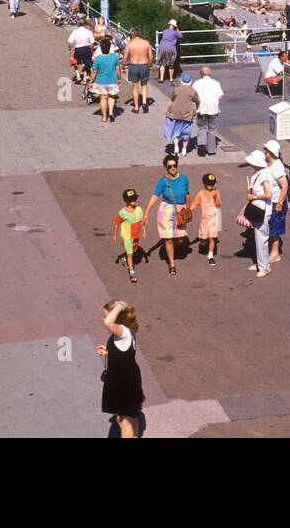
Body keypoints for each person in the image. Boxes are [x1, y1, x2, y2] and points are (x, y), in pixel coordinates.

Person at [96, 301, 145, 438]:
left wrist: (120, 305)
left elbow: (108, 323)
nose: (104, 319)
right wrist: (108, 351)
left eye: (106, 316)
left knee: (123, 421)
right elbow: (125, 353)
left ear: (116, 318)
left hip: (123, 382)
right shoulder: (125, 332)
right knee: (132, 416)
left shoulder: (123, 332)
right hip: (127, 378)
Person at [143, 154, 190, 276]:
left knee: (179, 239)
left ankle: (168, 248)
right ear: (165, 167)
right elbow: (154, 197)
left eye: (174, 165)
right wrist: (146, 212)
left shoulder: (184, 178)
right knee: (168, 238)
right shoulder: (162, 182)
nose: (173, 168)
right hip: (167, 210)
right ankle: (172, 263)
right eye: (170, 167)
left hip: (180, 210)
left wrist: (188, 209)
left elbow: (187, 194)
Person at [244, 149, 274, 278]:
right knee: (258, 237)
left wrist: (254, 196)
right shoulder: (259, 173)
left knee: (261, 238)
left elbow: (268, 194)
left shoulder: (263, 174)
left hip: (262, 210)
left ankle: (264, 267)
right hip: (258, 208)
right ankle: (261, 263)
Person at [112, 189, 146, 283]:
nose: (134, 201)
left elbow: (142, 221)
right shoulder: (122, 212)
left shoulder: (139, 210)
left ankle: (125, 259)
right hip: (126, 236)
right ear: (126, 201)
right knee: (130, 253)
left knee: (133, 251)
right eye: (131, 199)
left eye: (134, 198)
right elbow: (116, 224)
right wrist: (114, 235)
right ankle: (132, 273)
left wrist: (144, 231)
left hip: (135, 236)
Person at [163, 73, 199, 157]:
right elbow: (197, 100)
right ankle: (184, 150)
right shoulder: (192, 91)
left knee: (175, 131)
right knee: (186, 132)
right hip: (187, 115)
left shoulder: (176, 89)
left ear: (181, 81)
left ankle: (176, 147)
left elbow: (172, 98)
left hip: (175, 113)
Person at [263, 139, 288, 261]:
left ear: (270, 152)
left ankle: (275, 252)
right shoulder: (267, 163)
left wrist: (280, 203)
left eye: (266, 150)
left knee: (275, 226)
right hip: (269, 200)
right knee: (270, 226)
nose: (264, 151)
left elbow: (285, 186)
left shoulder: (278, 166)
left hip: (276, 202)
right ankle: (271, 250)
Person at [192, 66, 224, 156]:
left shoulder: (197, 83)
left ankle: (201, 146)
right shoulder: (216, 83)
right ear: (209, 74)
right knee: (212, 129)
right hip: (213, 109)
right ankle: (211, 150)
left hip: (201, 108)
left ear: (201, 74)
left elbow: (193, 96)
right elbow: (220, 96)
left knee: (201, 127)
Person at [122, 28, 154, 114]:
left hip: (134, 66)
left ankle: (136, 107)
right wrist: (151, 66)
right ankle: (144, 102)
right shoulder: (146, 43)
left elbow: (125, 57)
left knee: (135, 88)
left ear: (132, 35)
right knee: (144, 85)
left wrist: (123, 66)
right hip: (144, 65)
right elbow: (151, 56)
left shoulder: (130, 44)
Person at [90, 36, 121, 123]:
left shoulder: (98, 58)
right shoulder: (114, 57)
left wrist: (91, 81)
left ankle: (104, 117)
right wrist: (119, 78)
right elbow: (118, 68)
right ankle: (111, 113)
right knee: (111, 97)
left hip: (101, 81)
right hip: (112, 80)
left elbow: (94, 71)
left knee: (103, 98)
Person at [192, 173, 222, 266]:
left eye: (212, 184)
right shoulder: (200, 194)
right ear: (204, 183)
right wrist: (188, 211)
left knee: (212, 237)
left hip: (214, 218)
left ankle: (210, 255)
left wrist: (216, 197)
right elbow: (195, 204)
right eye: (209, 184)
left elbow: (219, 205)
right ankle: (203, 242)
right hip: (205, 219)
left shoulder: (216, 192)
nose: (211, 186)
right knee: (203, 237)